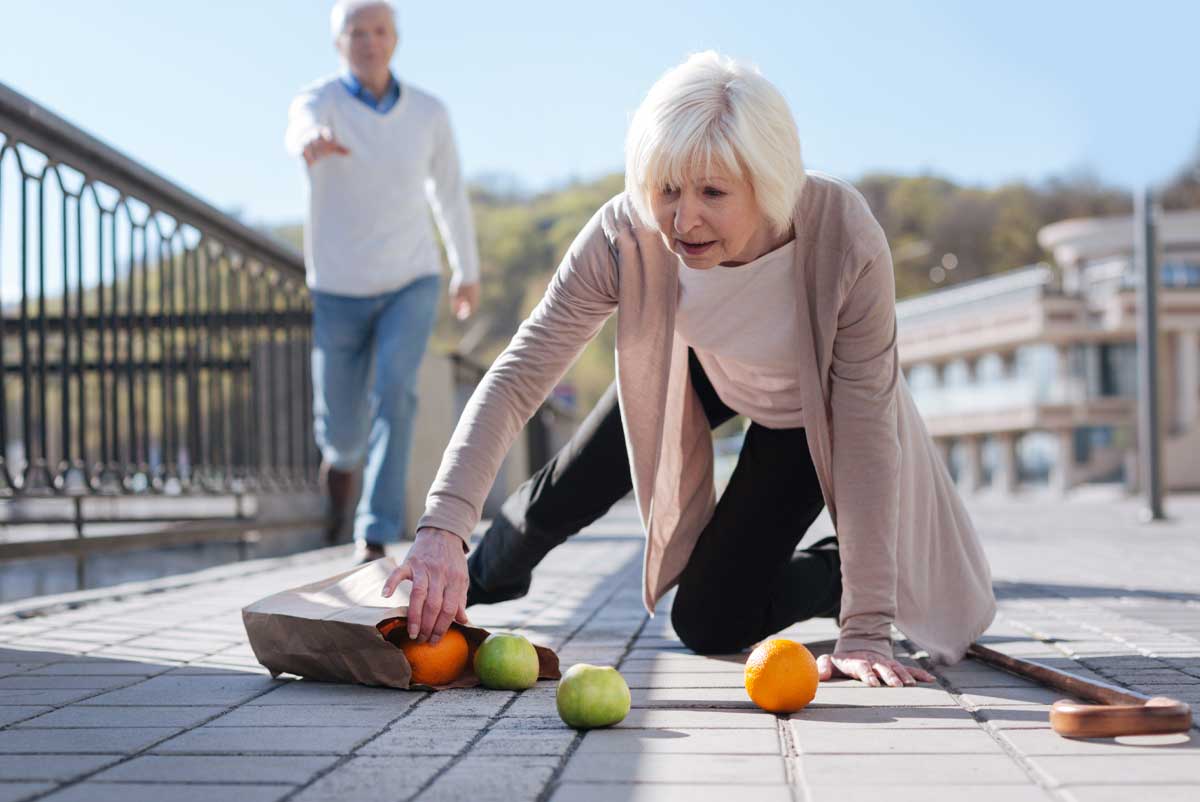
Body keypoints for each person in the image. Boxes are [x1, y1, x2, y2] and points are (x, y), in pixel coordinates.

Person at [382, 52, 996, 687]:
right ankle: (454, 587)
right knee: (555, 498)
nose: (683, 219)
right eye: (667, 189)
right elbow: (517, 378)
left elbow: (867, 431)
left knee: (708, 622)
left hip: (813, 409)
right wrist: (442, 530)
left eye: (713, 193)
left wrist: (866, 623)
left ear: (769, 182)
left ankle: (848, 570)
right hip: (702, 367)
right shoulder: (625, 232)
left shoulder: (845, 236)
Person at [285, 0, 480, 563]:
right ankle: (340, 473)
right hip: (338, 285)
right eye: (356, 32)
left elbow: (449, 194)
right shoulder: (318, 102)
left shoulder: (428, 113)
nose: (369, 41)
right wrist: (310, 140)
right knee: (342, 431)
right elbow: (299, 128)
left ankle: (374, 533)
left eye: (379, 31)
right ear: (339, 43)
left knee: (397, 392)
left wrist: (467, 269)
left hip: (410, 279)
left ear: (394, 39)